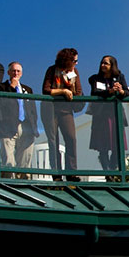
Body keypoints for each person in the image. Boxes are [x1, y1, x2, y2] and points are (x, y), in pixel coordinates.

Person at [41, 48, 83, 181]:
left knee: (71, 138)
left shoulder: (75, 72)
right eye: (74, 61)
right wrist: (63, 91)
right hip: (50, 110)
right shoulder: (52, 70)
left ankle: (71, 172)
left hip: (66, 111)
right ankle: (56, 173)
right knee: (53, 141)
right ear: (67, 60)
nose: (76, 63)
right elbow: (46, 90)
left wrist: (72, 88)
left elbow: (79, 92)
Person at [87, 55, 129, 176]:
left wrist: (121, 91)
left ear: (112, 65)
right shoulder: (95, 78)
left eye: (106, 63)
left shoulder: (119, 77)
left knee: (118, 146)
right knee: (103, 147)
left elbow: (127, 92)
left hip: (115, 115)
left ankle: (112, 170)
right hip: (101, 116)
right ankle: (107, 173)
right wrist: (110, 91)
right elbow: (95, 92)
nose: (103, 65)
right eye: (102, 63)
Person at [0, 62, 38, 176]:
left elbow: (32, 110)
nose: (16, 73)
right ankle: (9, 183)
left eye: (18, 71)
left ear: (21, 73)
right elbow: (0, 104)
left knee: (25, 160)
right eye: (13, 71)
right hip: (8, 127)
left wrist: (34, 125)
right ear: (8, 72)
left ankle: (23, 182)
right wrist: (11, 87)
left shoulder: (27, 89)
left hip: (26, 126)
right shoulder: (1, 87)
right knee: (8, 161)